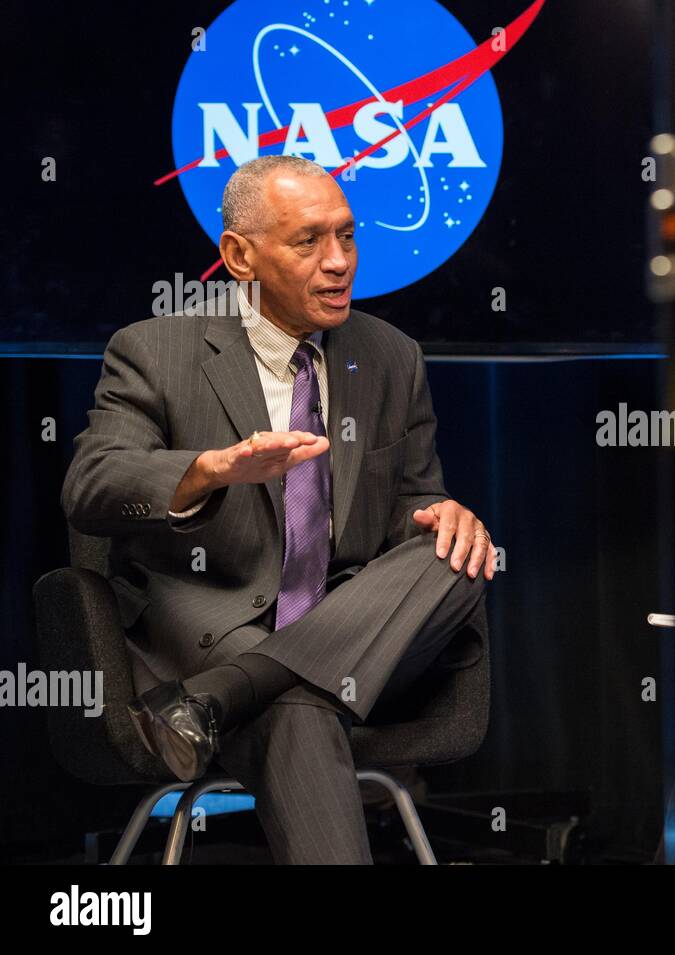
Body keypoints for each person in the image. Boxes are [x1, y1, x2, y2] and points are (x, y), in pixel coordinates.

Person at [61, 155, 496, 864]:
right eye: (308, 241)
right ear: (239, 256)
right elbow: (92, 485)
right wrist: (211, 469)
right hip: (210, 626)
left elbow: (414, 497)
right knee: (298, 706)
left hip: (356, 633)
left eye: (347, 237)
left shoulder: (392, 356)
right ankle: (244, 684)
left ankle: (215, 701)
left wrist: (443, 512)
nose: (338, 263)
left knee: (458, 556)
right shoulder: (153, 350)